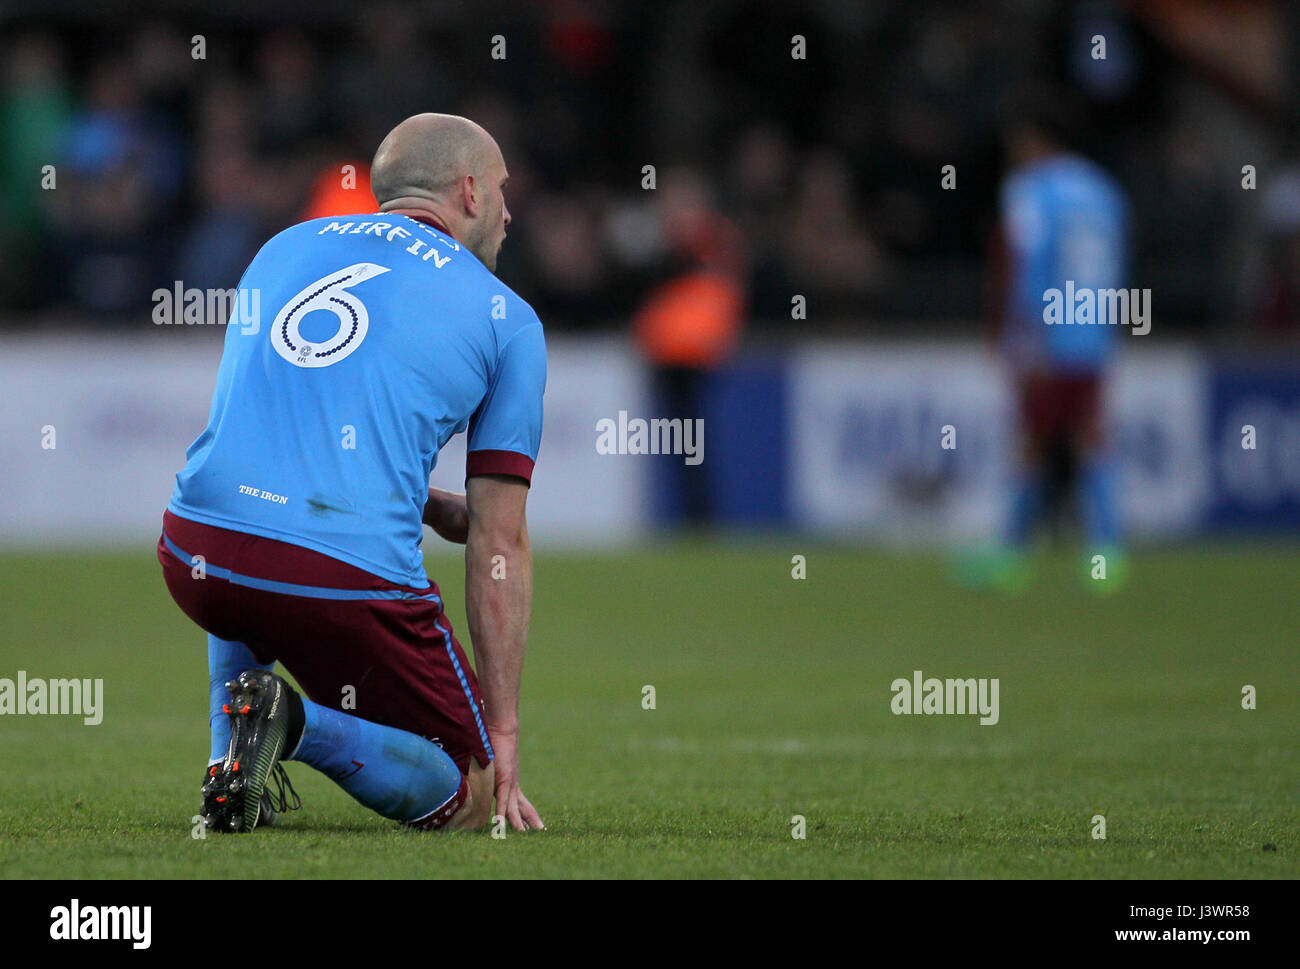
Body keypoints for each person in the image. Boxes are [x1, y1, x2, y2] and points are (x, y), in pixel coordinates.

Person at [158, 113, 546, 834]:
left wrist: (420, 501)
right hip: (333, 573)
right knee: (469, 790)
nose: (508, 210)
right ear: (468, 191)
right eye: (501, 190)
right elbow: (499, 543)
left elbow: (263, 437)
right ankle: (294, 726)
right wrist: (506, 733)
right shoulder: (509, 318)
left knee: (249, 532)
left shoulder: (281, 246)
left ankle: (229, 770)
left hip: (192, 549)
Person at [969, 95, 1131, 591]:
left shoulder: (1031, 190)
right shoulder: (1105, 191)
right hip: (1094, 332)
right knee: (1091, 441)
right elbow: (1118, 269)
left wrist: (1024, 335)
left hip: (1051, 335)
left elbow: (1030, 266)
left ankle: (1009, 557)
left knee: (1032, 443)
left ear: (1039, 138)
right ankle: (1107, 558)